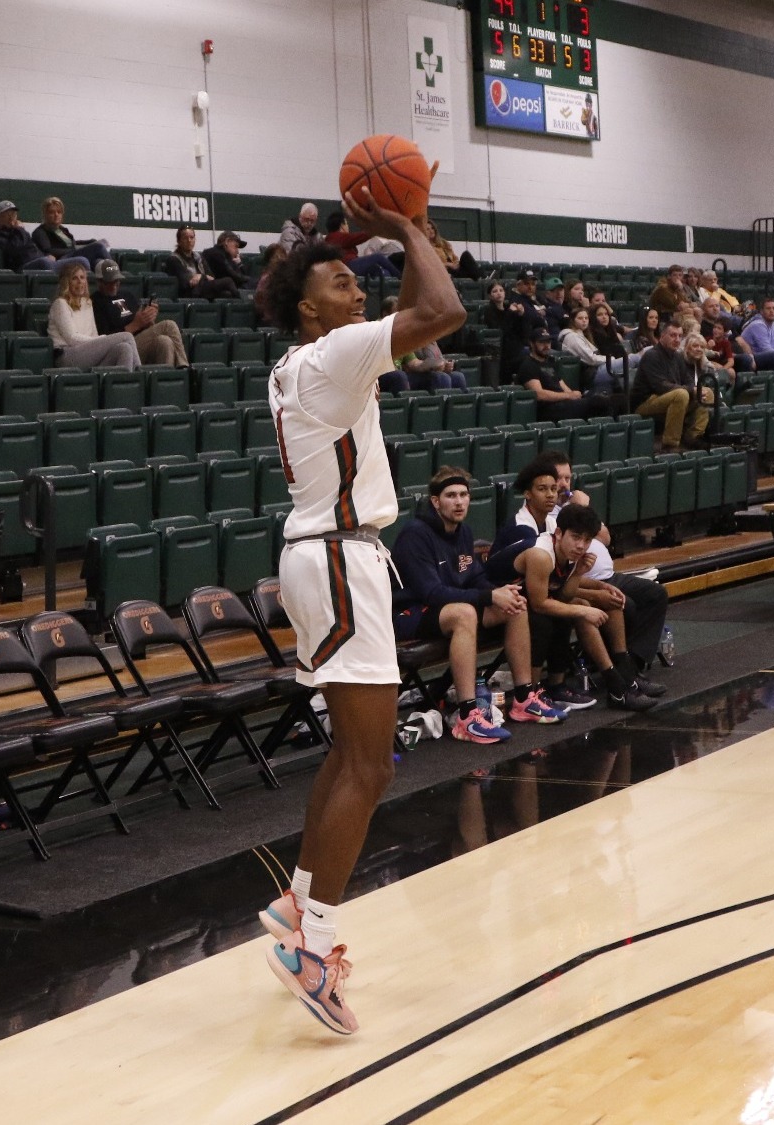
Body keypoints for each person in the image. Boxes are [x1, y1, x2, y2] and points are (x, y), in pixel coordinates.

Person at [255, 178, 465, 1036]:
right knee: (372, 765)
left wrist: (405, 240)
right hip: (340, 559)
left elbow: (419, 299)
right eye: (340, 282)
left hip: (326, 556)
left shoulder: (306, 360)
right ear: (309, 313)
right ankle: (315, 946)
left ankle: (300, 909)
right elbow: (442, 308)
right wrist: (407, 226)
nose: (358, 287)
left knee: (350, 752)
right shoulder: (332, 355)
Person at [391, 467, 568, 742]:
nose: (459, 501)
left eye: (464, 495)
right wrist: (488, 597)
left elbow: (475, 576)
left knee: (515, 601)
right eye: (451, 496)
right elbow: (432, 593)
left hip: (446, 609)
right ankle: (467, 715)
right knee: (465, 614)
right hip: (408, 614)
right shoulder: (416, 534)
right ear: (436, 501)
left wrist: (499, 592)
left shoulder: (463, 531)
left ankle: (523, 698)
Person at [538, 451, 669, 694]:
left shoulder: (576, 506)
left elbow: (606, 538)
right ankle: (620, 674)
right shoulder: (548, 516)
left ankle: (632, 667)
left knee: (656, 594)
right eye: (559, 479)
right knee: (624, 604)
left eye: (568, 478)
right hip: (579, 581)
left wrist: (582, 509)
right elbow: (554, 581)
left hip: (607, 576)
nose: (565, 484)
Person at [511, 498, 656, 714]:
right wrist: (584, 610)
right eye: (576, 537)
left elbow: (564, 592)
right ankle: (536, 691)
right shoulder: (541, 554)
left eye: (587, 540)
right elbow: (540, 604)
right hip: (499, 605)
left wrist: (581, 575)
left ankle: (619, 677)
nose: (581, 546)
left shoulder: (567, 553)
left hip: (521, 602)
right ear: (559, 533)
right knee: (563, 614)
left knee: (587, 604)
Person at [89, 260, 187, 366]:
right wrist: (135, 325)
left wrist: (148, 318)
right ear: (99, 282)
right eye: (109, 282)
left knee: (164, 341)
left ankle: (164, 379)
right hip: (122, 349)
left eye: (116, 281)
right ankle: (185, 368)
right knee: (169, 325)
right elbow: (104, 339)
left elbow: (144, 325)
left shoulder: (127, 295)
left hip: (141, 342)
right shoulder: (95, 303)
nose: (114, 286)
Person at [47, 261, 140, 369]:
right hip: (66, 355)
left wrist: (99, 341)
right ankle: (141, 376)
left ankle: (126, 383)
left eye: (82, 278)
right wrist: (102, 340)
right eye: (74, 278)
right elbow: (72, 338)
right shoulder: (60, 303)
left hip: (87, 353)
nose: (80, 282)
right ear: (67, 282)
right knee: (126, 336)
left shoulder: (87, 303)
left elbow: (94, 334)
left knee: (124, 348)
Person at [632, 319, 706, 454]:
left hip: (667, 396)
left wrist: (695, 390)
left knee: (707, 392)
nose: (677, 339)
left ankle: (693, 436)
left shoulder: (677, 356)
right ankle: (670, 444)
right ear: (662, 336)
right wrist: (690, 390)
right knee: (681, 394)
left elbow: (688, 380)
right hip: (646, 402)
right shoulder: (652, 356)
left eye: (679, 336)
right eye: (673, 335)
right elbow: (660, 386)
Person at [520, 330, 613, 420]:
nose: (546, 346)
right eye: (542, 342)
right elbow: (539, 394)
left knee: (609, 397)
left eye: (548, 342)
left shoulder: (550, 362)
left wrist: (574, 396)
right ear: (532, 344)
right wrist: (569, 396)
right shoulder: (529, 365)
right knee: (598, 403)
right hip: (549, 408)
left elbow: (562, 385)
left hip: (564, 403)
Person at [160, 225, 239, 300]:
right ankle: (242, 302)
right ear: (179, 241)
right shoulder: (174, 259)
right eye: (185, 238)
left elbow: (211, 277)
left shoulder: (198, 257)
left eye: (192, 237)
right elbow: (187, 283)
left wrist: (200, 276)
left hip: (203, 289)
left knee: (227, 294)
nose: (189, 240)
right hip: (189, 293)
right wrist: (203, 277)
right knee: (228, 281)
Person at [31, 196, 108, 265]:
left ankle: (111, 272)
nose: (56, 215)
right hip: (61, 259)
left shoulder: (61, 230)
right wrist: (74, 250)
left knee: (98, 261)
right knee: (99, 247)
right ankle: (116, 269)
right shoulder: (40, 232)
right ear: (45, 214)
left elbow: (72, 243)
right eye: (52, 212)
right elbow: (49, 250)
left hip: (72, 255)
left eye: (59, 212)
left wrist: (90, 242)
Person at [0, 200, 56, 273]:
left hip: (39, 260)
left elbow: (32, 247)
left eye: (13, 214)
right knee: (45, 262)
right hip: (22, 267)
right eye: (7, 215)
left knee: (68, 260)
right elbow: (15, 248)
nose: (11, 218)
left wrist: (47, 255)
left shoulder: (18, 230)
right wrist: (19, 229)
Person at [324, 211, 400, 278]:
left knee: (379, 270)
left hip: (347, 267)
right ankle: (400, 278)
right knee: (378, 257)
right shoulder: (336, 236)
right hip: (349, 265)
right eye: (346, 223)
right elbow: (359, 237)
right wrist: (375, 230)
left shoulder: (331, 239)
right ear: (342, 225)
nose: (348, 226)